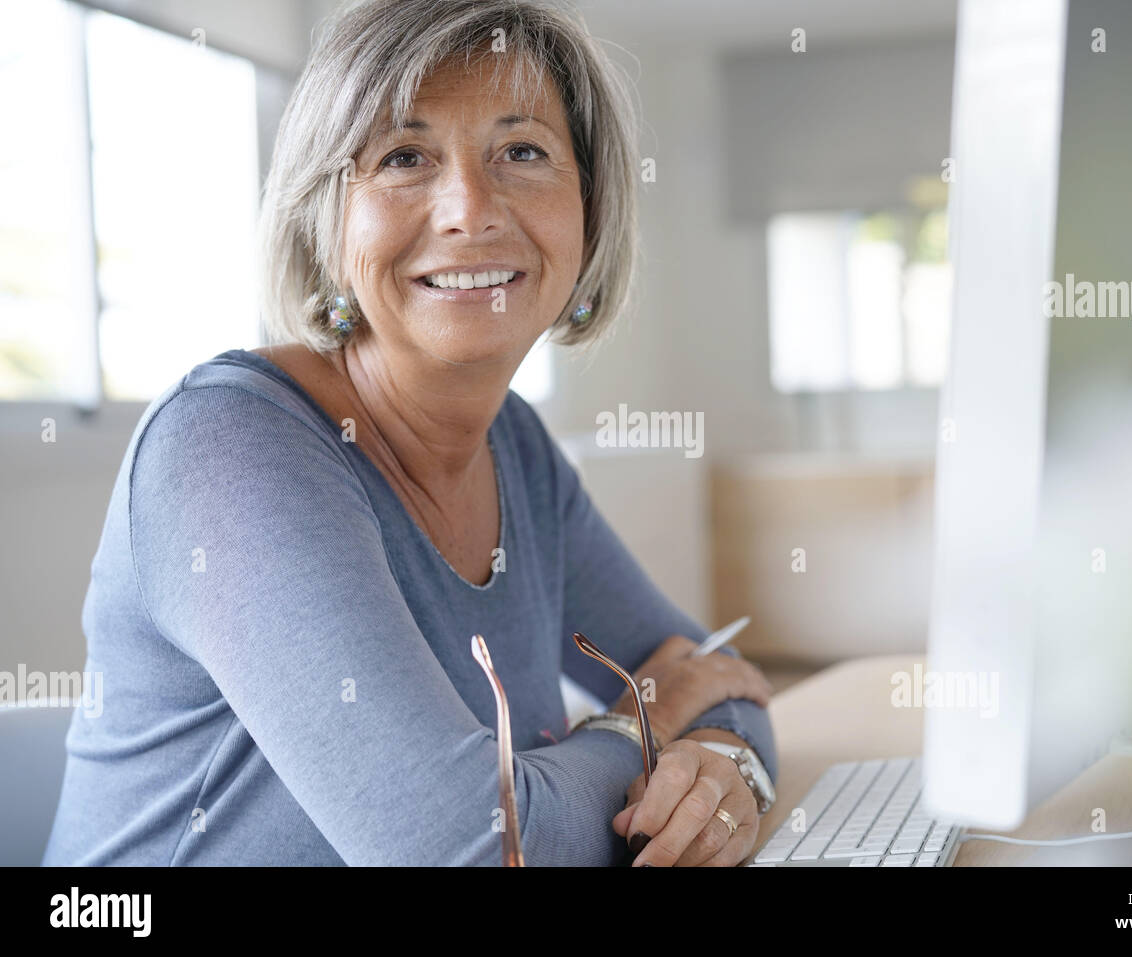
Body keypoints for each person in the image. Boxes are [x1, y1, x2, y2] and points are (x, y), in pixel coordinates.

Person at [43, 0, 776, 867]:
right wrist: (648, 717)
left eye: (523, 151)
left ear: (592, 207)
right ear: (329, 218)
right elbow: (467, 851)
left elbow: (718, 675)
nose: (469, 209)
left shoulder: (519, 448)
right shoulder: (226, 446)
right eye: (404, 156)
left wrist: (726, 766)